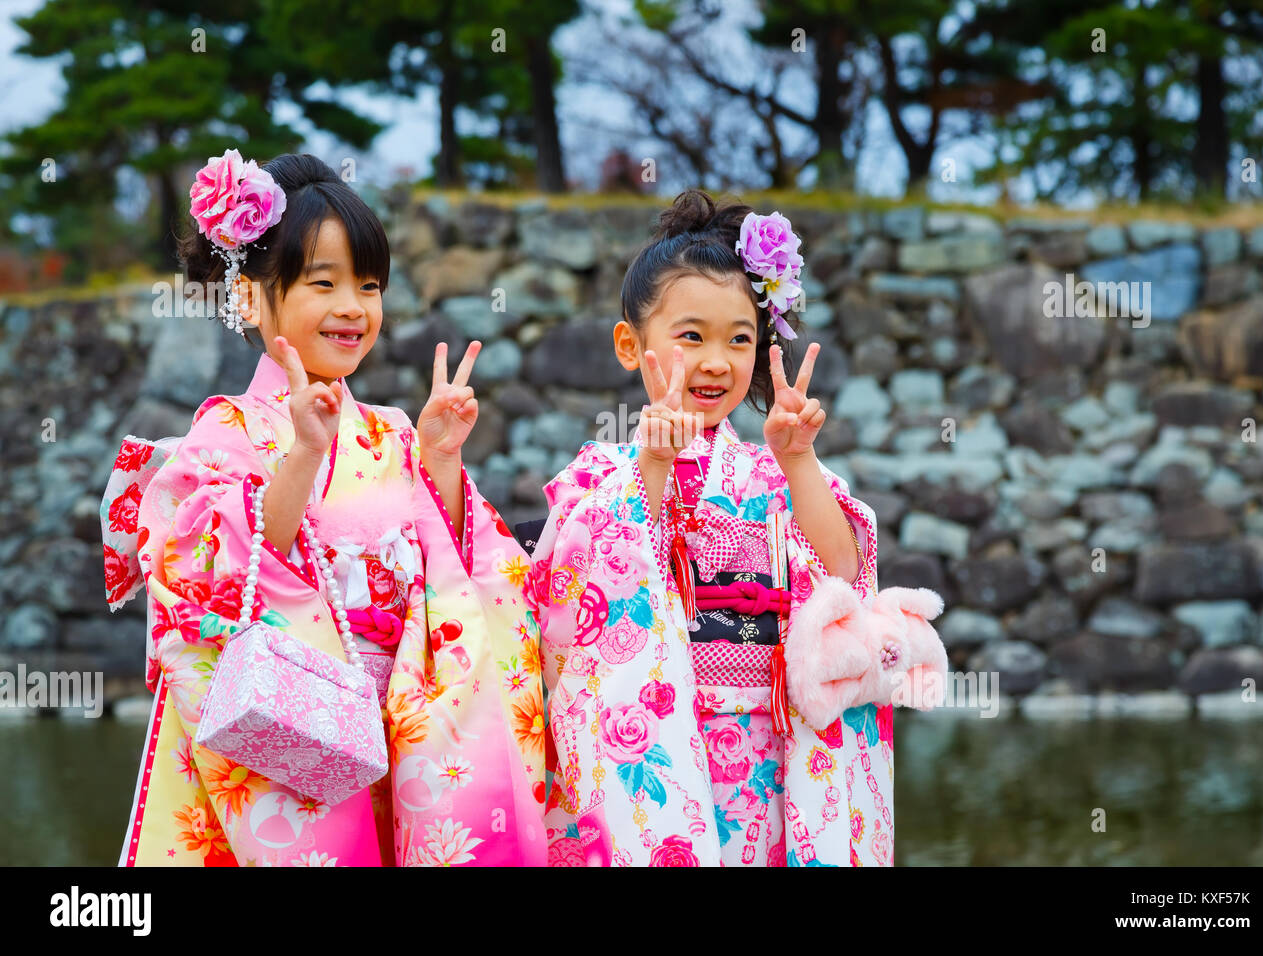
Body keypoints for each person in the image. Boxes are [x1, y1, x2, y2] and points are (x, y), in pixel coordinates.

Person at [101, 150, 545, 866]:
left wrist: (440, 459)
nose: (352, 308)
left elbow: (470, 574)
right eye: (323, 282)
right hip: (290, 729)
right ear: (251, 296)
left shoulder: (393, 430)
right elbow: (213, 585)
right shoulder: (227, 431)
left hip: (400, 732)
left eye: (369, 286)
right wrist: (303, 454)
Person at [528, 188, 945, 867]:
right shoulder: (608, 468)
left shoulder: (775, 467)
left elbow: (844, 572)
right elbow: (572, 593)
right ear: (631, 345)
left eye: (739, 338)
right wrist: (653, 463)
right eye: (691, 336)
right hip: (668, 731)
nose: (717, 361)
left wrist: (799, 459)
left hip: (776, 741)